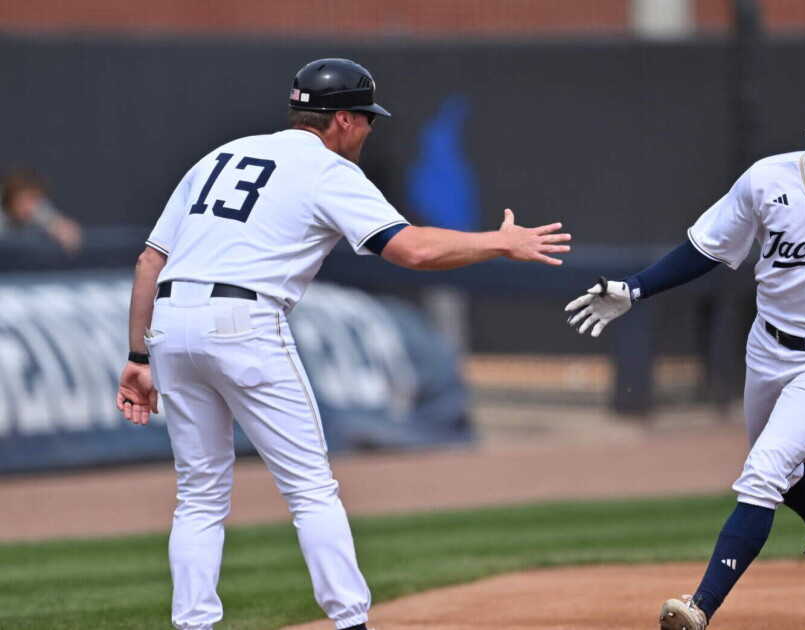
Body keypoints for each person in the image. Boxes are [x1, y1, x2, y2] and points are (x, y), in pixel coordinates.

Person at [115, 58, 570, 630]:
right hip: (244, 320)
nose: (370, 130)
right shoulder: (328, 171)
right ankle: (351, 621)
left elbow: (149, 260)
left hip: (170, 321)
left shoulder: (220, 156)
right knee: (310, 488)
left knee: (200, 497)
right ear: (344, 120)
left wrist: (137, 357)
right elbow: (415, 251)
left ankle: (193, 624)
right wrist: (498, 243)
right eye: (368, 119)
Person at [564, 74, 805, 629]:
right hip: (767, 348)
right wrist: (634, 289)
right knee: (783, 466)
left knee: (766, 469)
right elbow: (707, 248)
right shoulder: (767, 179)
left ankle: (700, 608)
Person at [0, 167, 84, 255]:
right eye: (23, 200)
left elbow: (63, 227)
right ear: (12, 197)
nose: (29, 207)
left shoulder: (35, 208)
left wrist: (64, 230)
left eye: (33, 199)